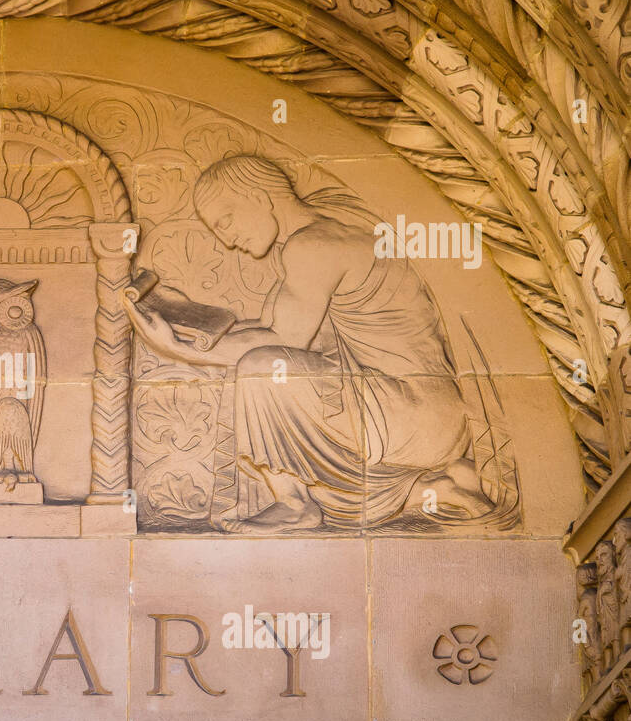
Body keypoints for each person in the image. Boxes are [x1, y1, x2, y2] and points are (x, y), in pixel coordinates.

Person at [123, 155, 492, 532]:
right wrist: (183, 314)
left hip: (408, 412)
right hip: (427, 416)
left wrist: (178, 350)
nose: (225, 238)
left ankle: (295, 503)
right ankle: (436, 487)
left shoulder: (312, 246)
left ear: (258, 196)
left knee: (260, 371)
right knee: (266, 365)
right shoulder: (325, 236)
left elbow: (282, 341)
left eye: (226, 220)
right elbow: (269, 327)